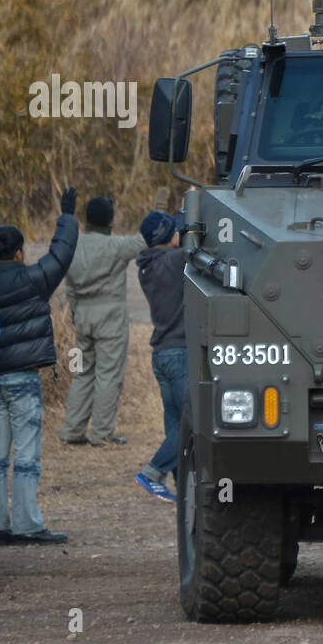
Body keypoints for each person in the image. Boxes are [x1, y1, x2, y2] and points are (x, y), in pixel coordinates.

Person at [0, 189, 78, 546]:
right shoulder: (33, 280)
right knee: (28, 455)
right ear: (19, 252)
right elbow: (61, 256)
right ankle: (27, 525)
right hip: (22, 379)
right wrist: (67, 217)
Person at [58, 196, 145, 446]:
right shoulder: (116, 245)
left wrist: (76, 313)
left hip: (83, 317)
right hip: (110, 320)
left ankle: (72, 430)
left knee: (81, 372)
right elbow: (145, 240)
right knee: (108, 375)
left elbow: (70, 289)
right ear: (110, 219)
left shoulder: (72, 246)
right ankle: (102, 434)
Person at [134, 210, 188, 502]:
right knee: (194, 423)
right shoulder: (175, 262)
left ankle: (183, 490)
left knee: (176, 424)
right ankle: (152, 472)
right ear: (168, 236)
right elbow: (198, 249)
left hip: (162, 355)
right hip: (180, 354)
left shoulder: (147, 265)